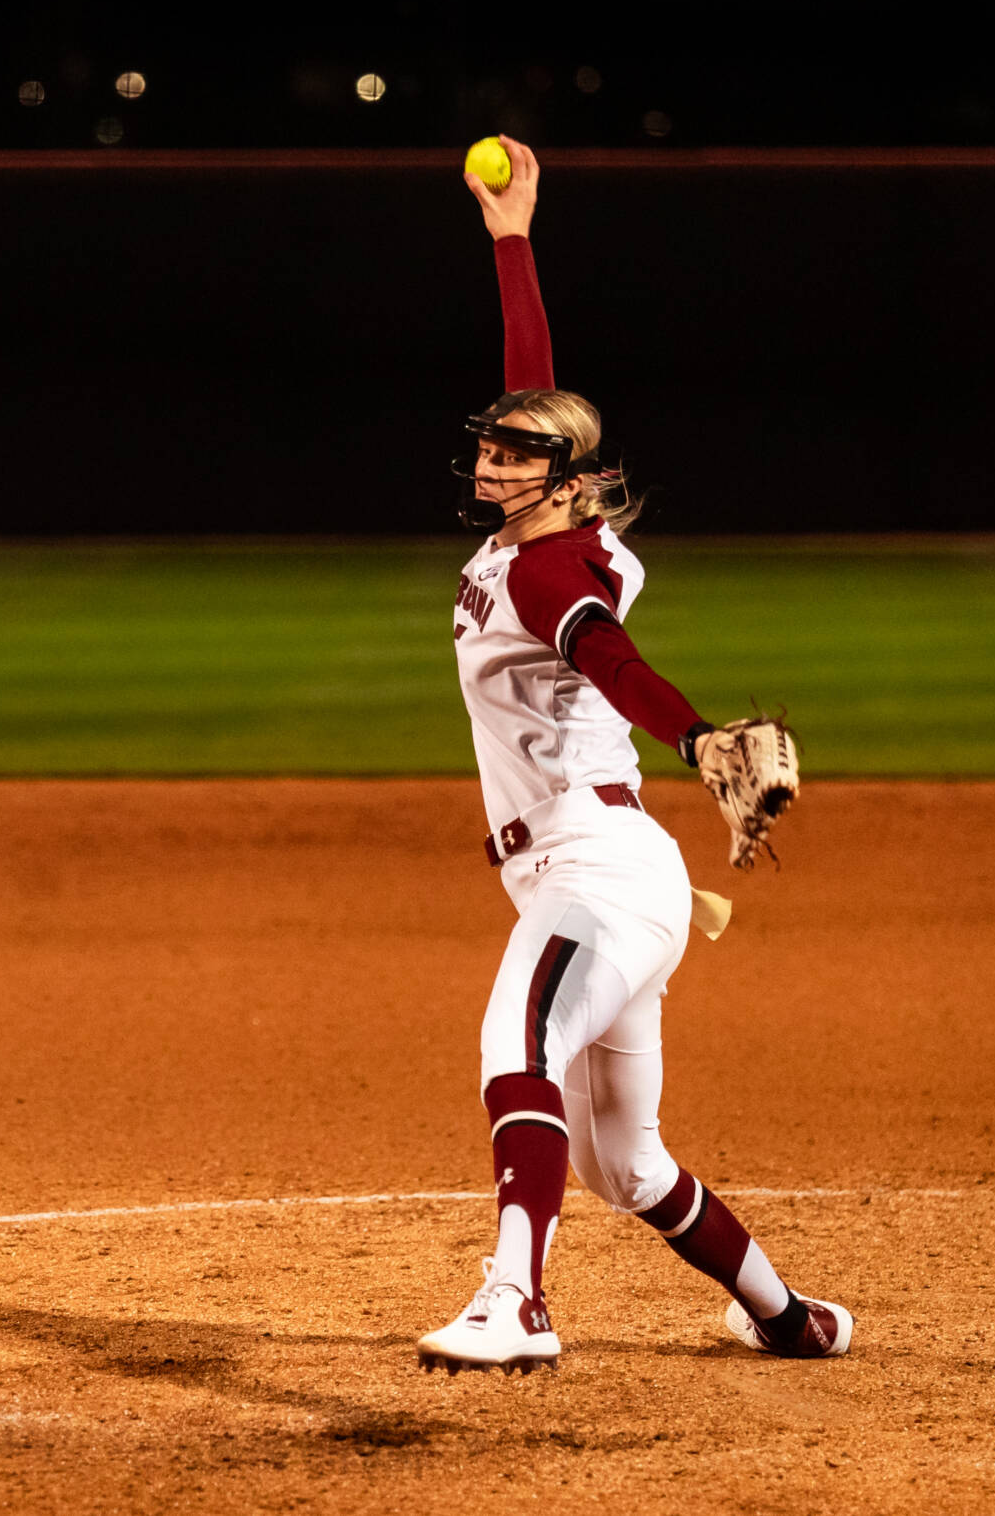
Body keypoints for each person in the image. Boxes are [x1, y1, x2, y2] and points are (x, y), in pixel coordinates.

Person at [414, 138, 846, 1372]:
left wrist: (700, 733)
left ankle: (515, 1301)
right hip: (612, 871)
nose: (491, 462)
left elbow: (608, 658)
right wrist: (511, 239)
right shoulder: (557, 519)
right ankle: (789, 1316)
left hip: (594, 871)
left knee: (515, 1047)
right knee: (627, 1162)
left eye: (512, 455)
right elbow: (534, 388)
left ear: (560, 481)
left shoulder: (551, 567)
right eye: (489, 448)